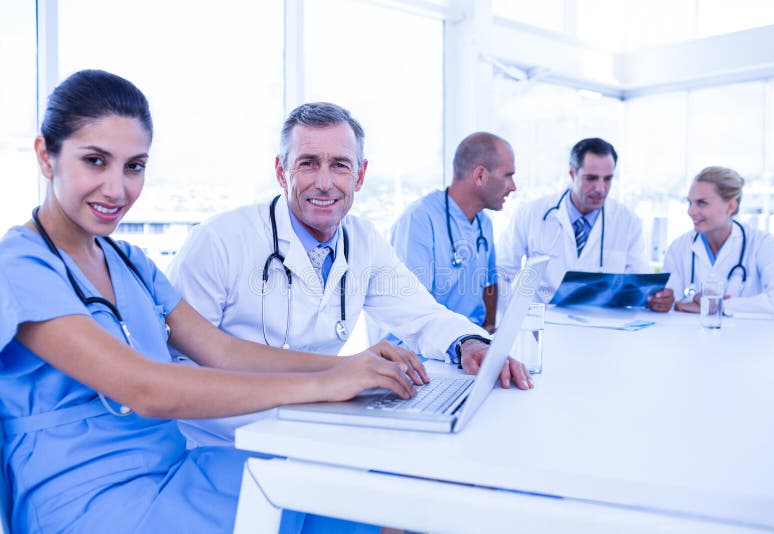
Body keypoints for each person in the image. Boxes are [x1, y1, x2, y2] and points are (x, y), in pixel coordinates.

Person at [0, 69, 428, 533]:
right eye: (95, 161)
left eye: (134, 166)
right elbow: (148, 390)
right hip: (88, 501)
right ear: (46, 156)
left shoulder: (128, 261)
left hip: (175, 468)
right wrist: (325, 385)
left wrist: (349, 367)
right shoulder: (19, 267)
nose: (117, 189)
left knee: (381, 506)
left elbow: (221, 350)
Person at [167, 102, 532, 447]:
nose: (325, 183)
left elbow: (422, 314)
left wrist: (469, 343)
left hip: (318, 428)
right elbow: (178, 368)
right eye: (308, 164)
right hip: (224, 441)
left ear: (360, 175)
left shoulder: (363, 241)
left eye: (340, 165)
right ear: (281, 172)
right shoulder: (219, 241)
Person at [496, 137, 674, 312]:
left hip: (604, 327)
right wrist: (512, 321)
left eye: (607, 179)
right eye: (591, 178)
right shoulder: (531, 214)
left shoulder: (628, 222)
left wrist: (656, 299)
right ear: (572, 173)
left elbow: (640, 285)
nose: (600, 188)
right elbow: (503, 272)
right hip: (546, 324)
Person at [389, 132, 516, 333]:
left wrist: (487, 331)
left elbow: (489, 284)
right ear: (480, 175)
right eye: (507, 176)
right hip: (419, 352)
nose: (513, 187)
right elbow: (412, 308)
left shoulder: (484, 223)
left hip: (467, 342)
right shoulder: (419, 220)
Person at [663, 166, 774, 319]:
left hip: (746, 341)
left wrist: (718, 305)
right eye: (690, 203)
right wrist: (662, 302)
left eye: (702, 203)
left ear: (731, 206)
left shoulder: (762, 244)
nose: (691, 211)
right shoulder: (679, 248)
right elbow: (673, 304)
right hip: (691, 340)